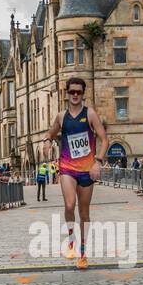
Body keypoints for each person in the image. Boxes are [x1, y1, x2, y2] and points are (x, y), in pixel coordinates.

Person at [45, 77, 106, 269]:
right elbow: (51, 132)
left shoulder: (90, 114)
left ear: (83, 94)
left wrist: (98, 162)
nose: (75, 95)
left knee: (84, 213)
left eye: (79, 92)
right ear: (67, 93)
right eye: (72, 92)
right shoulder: (61, 117)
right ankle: (71, 240)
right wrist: (46, 140)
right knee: (70, 205)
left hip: (87, 170)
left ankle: (83, 252)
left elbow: (104, 140)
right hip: (67, 168)